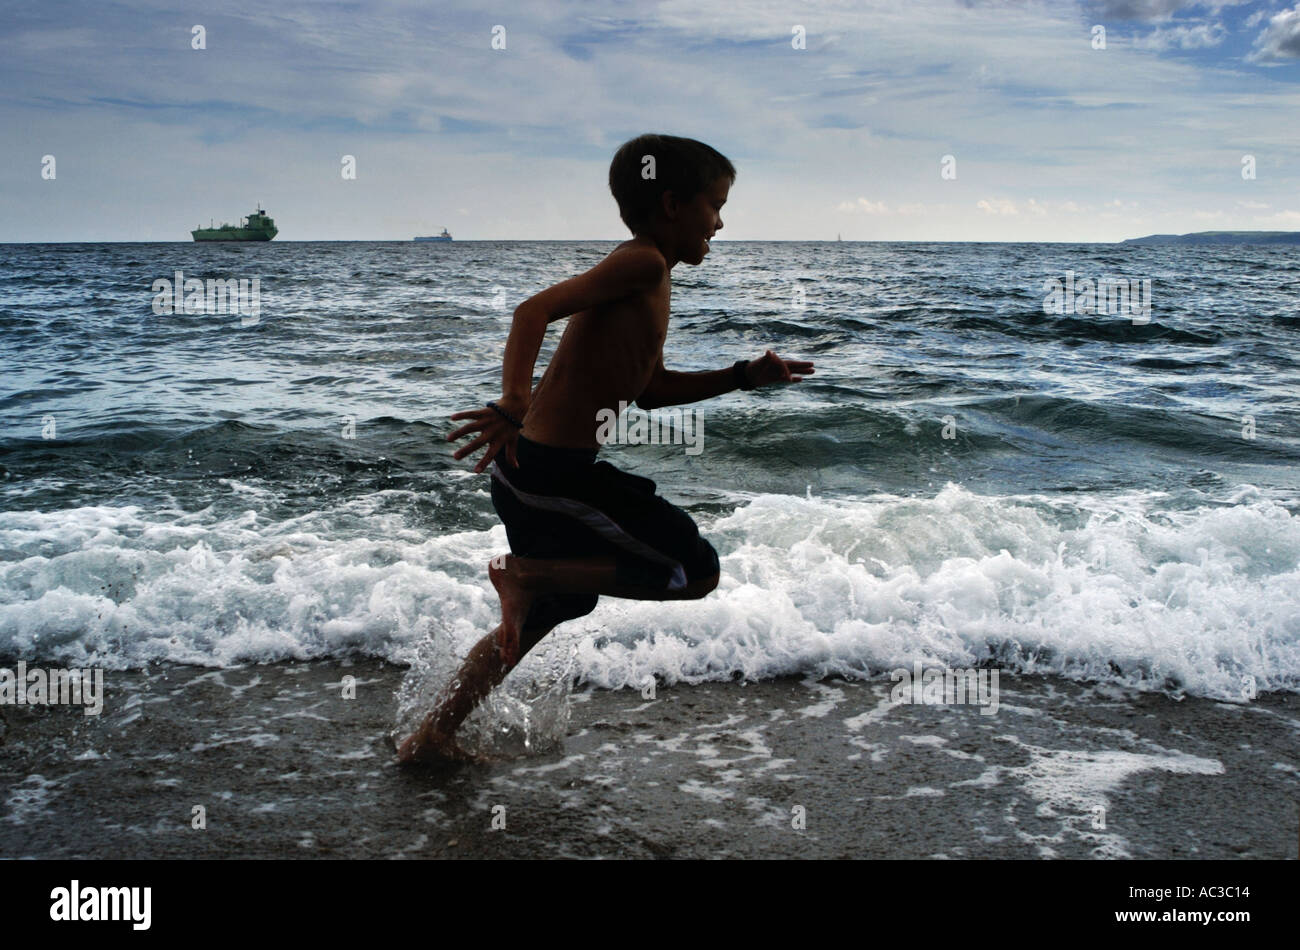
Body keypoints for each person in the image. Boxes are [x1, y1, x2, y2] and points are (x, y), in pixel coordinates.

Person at [396, 133, 814, 763]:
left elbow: (649, 391)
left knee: (552, 607)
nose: (721, 222)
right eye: (715, 204)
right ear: (673, 204)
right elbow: (531, 312)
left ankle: (432, 737)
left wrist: (741, 376)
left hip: (536, 474)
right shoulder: (643, 262)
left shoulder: (650, 276)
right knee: (695, 570)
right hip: (552, 475)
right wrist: (511, 402)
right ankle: (527, 575)